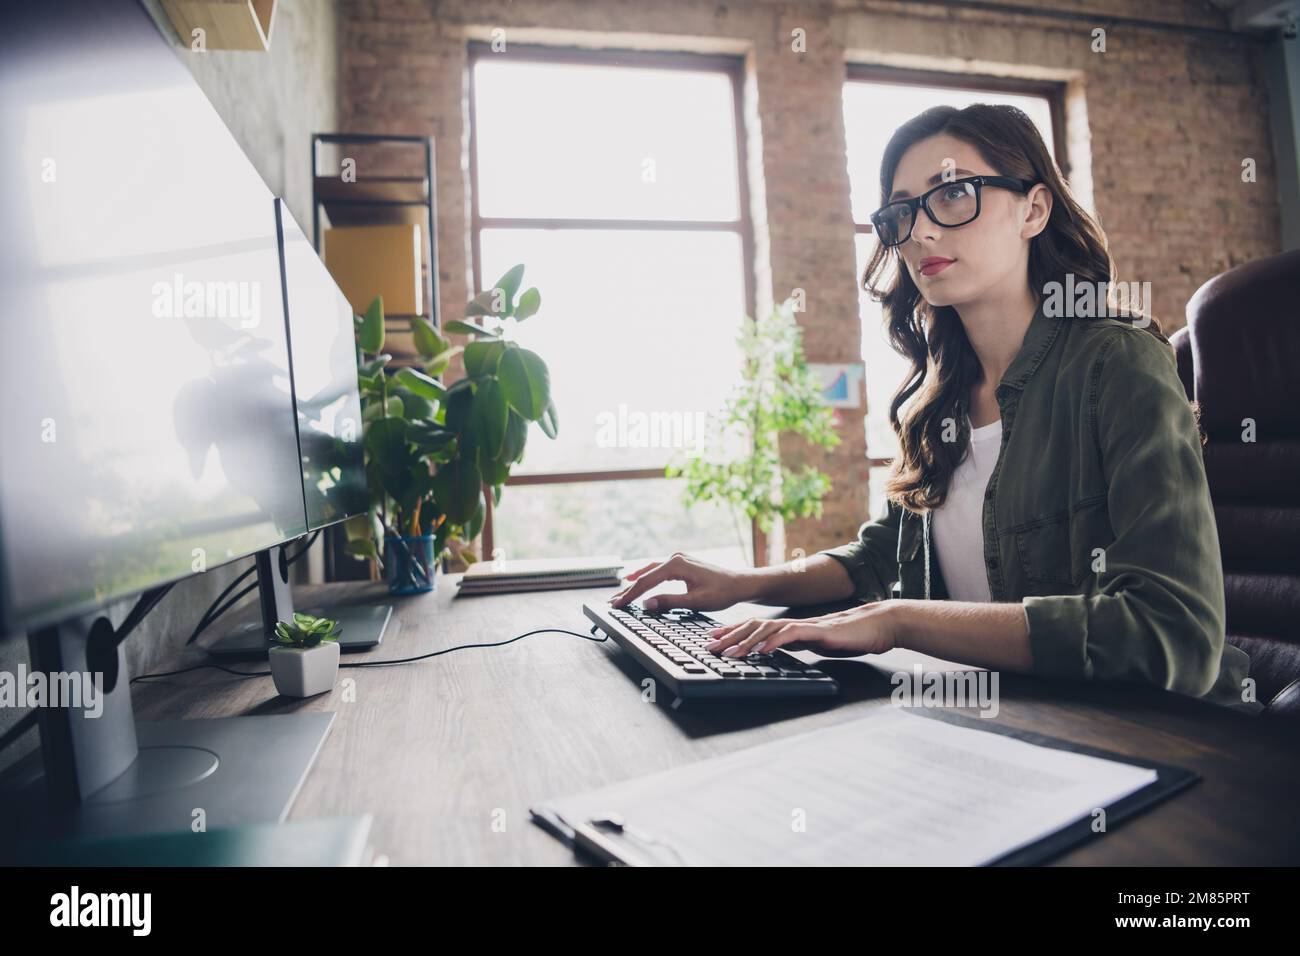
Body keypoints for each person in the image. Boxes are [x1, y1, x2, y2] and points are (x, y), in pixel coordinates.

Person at [610, 103, 1258, 713]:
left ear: (1033, 210)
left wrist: (897, 622)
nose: (919, 231)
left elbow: (1173, 633)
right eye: (901, 213)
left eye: (952, 193)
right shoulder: (937, 400)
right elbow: (880, 556)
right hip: (1006, 724)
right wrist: (742, 583)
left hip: (1165, 737)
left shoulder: (1116, 365)